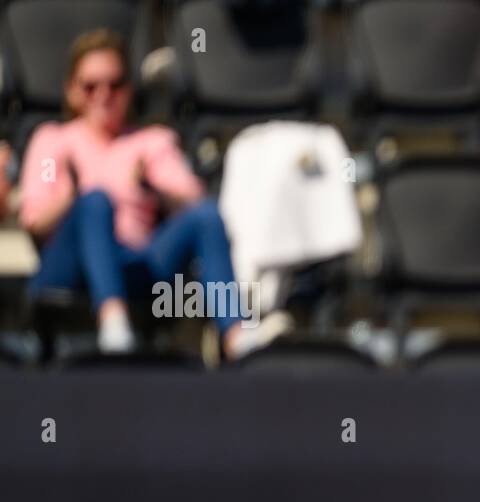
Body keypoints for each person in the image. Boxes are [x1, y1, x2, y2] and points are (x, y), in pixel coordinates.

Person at [17, 29, 286, 359]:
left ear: (128, 90)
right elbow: (34, 223)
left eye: (114, 84)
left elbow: (195, 203)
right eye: (90, 86)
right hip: (67, 270)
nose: (103, 95)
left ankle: (235, 335)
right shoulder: (52, 140)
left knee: (205, 217)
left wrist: (154, 186)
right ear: (72, 91)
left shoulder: (151, 142)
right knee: (95, 201)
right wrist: (72, 196)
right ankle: (113, 323)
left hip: (134, 264)